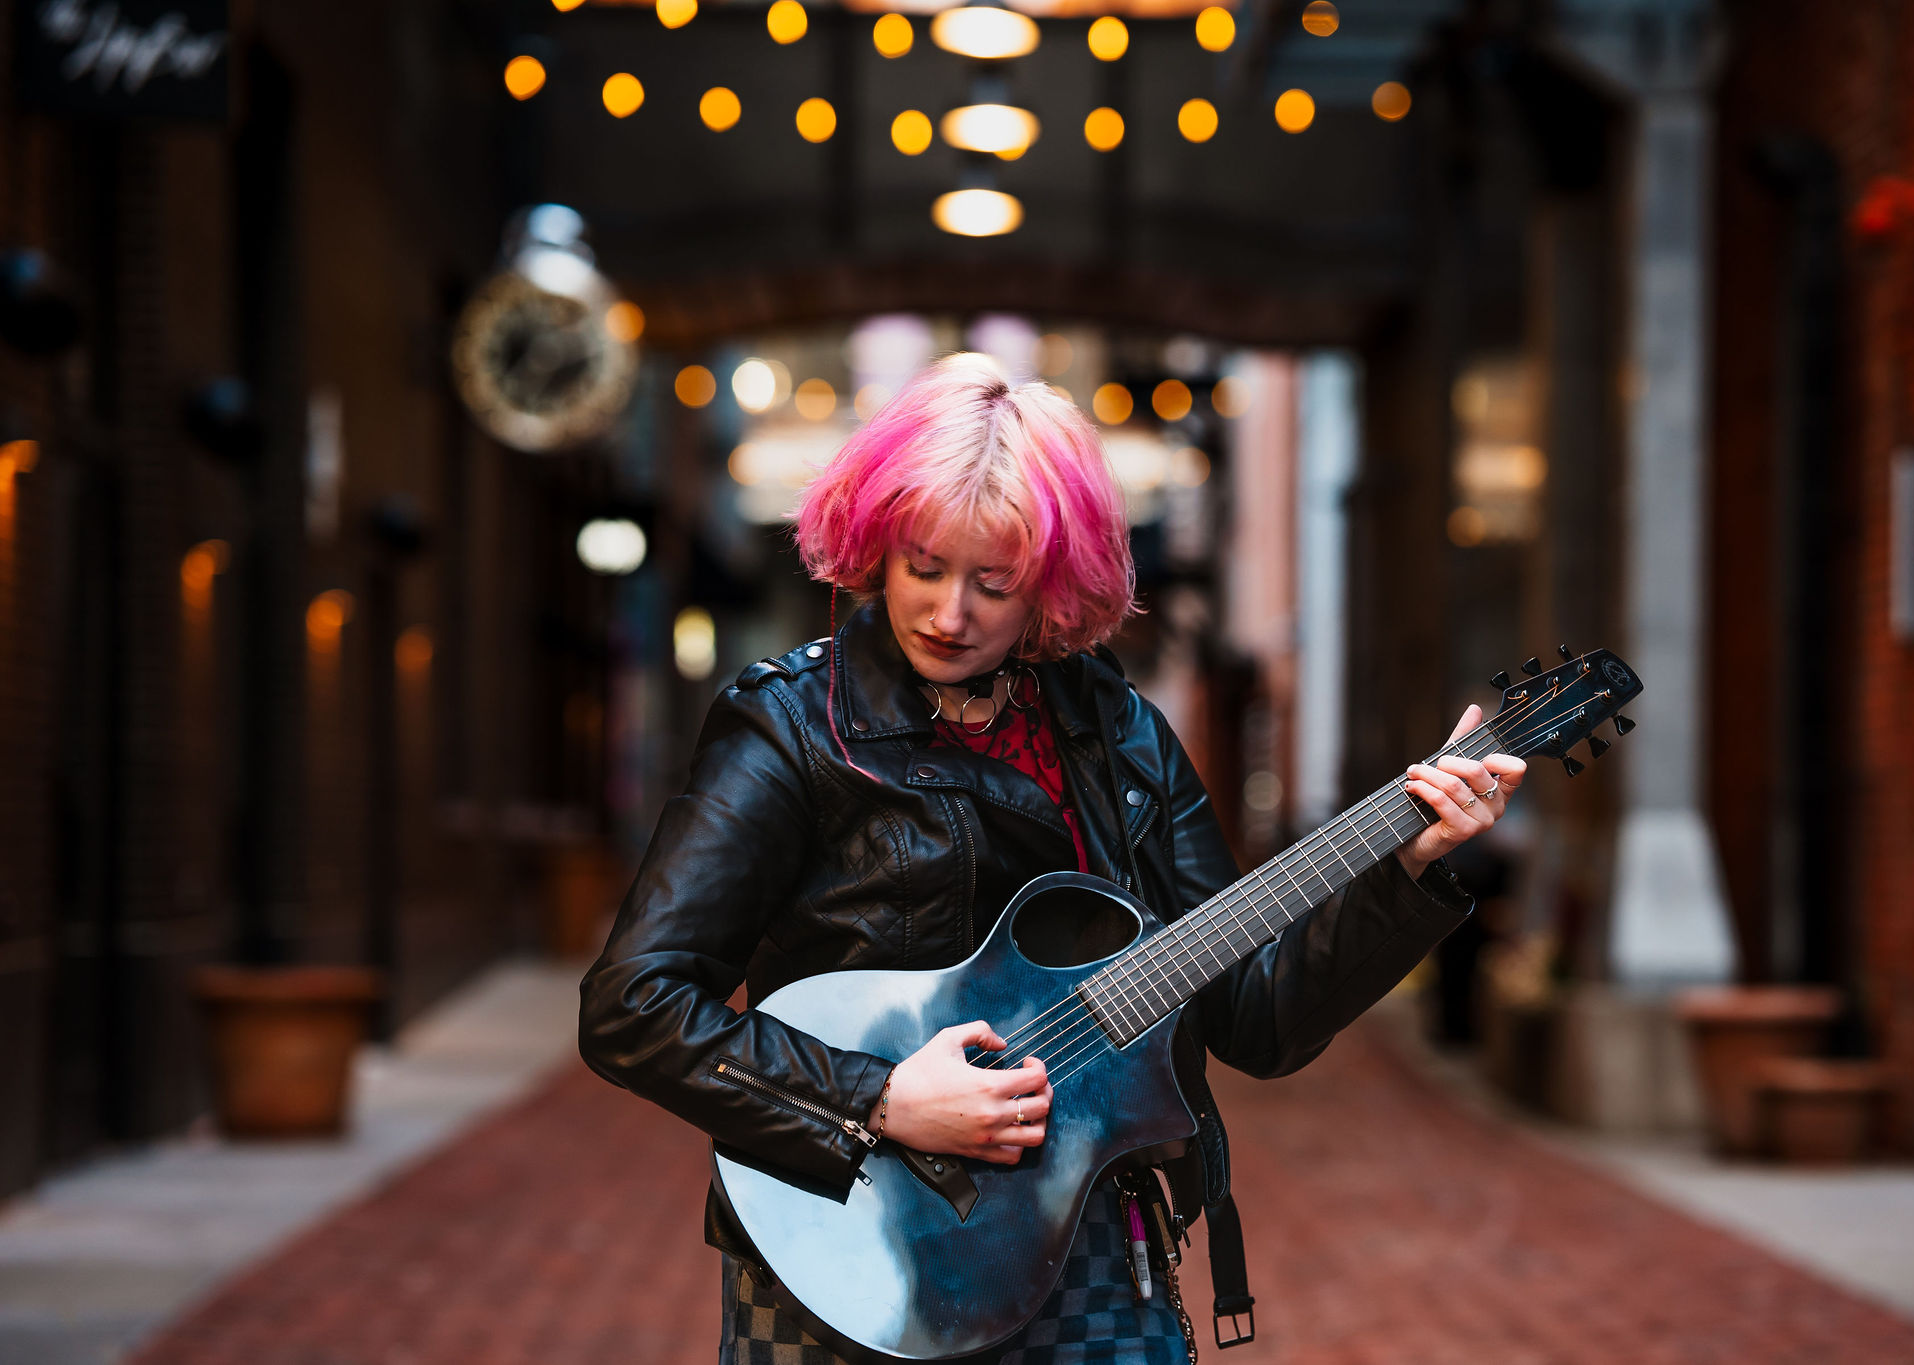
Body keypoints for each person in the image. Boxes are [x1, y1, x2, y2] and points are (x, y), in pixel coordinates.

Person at [578, 355, 1527, 1364]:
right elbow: (632, 1006)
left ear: (1050, 582)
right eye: (922, 568)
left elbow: (1256, 1016)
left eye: (994, 583)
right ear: (874, 548)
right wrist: (879, 1098)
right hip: (856, 1255)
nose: (950, 615)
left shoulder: (1118, 735)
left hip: (1085, 1250)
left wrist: (1406, 867)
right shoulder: (790, 728)